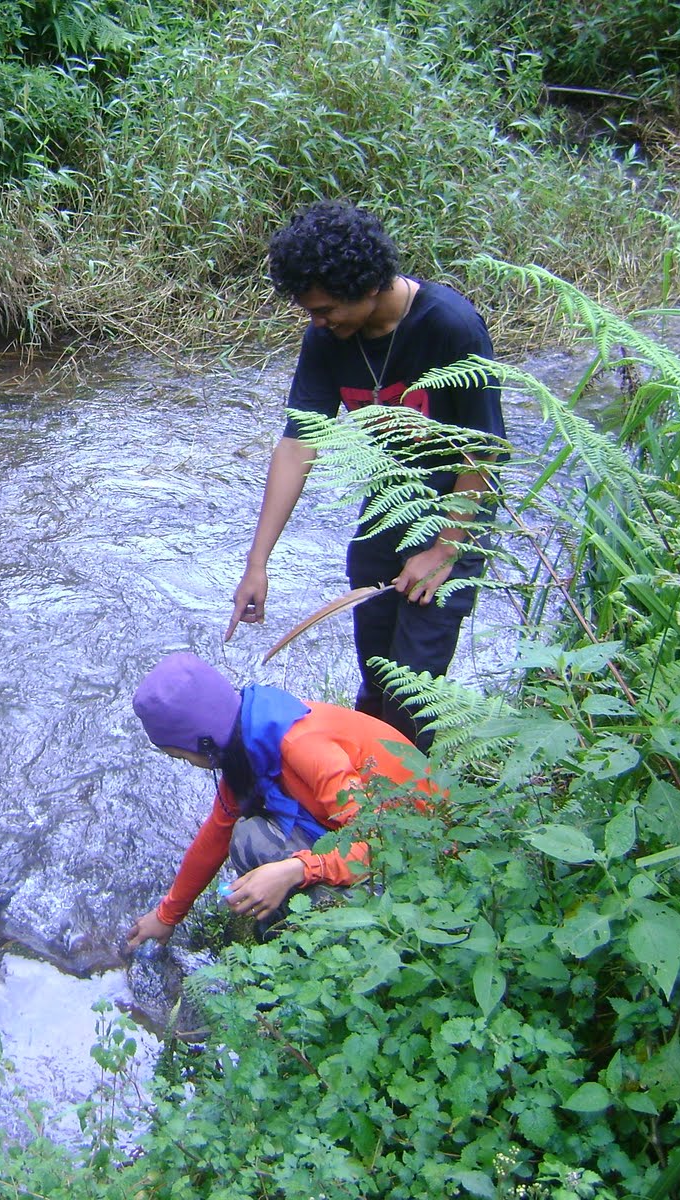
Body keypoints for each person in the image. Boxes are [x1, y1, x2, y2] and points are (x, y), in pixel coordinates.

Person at [226, 200, 506, 750]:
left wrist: (445, 549)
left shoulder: (449, 326)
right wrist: (257, 563)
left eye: (328, 308)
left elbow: (486, 450)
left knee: (416, 688)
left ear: (370, 283)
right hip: (387, 506)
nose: (319, 322)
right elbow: (296, 442)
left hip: (455, 512)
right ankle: (360, 781)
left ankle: (408, 796)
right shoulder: (327, 340)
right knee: (376, 671)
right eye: (310, 311)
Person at [124, 652, 434, 951]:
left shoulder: (304, 746)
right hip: (358, 832)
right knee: (247, 835)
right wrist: (167, 915)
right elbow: (215, 835)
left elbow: (381, 844)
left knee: (259, 846)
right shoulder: (250, 735)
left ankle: (324, 954)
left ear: (205, 743)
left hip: (419, 855)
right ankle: (282, 934)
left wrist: (295, 870)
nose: (188, 764)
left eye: (181, 755)